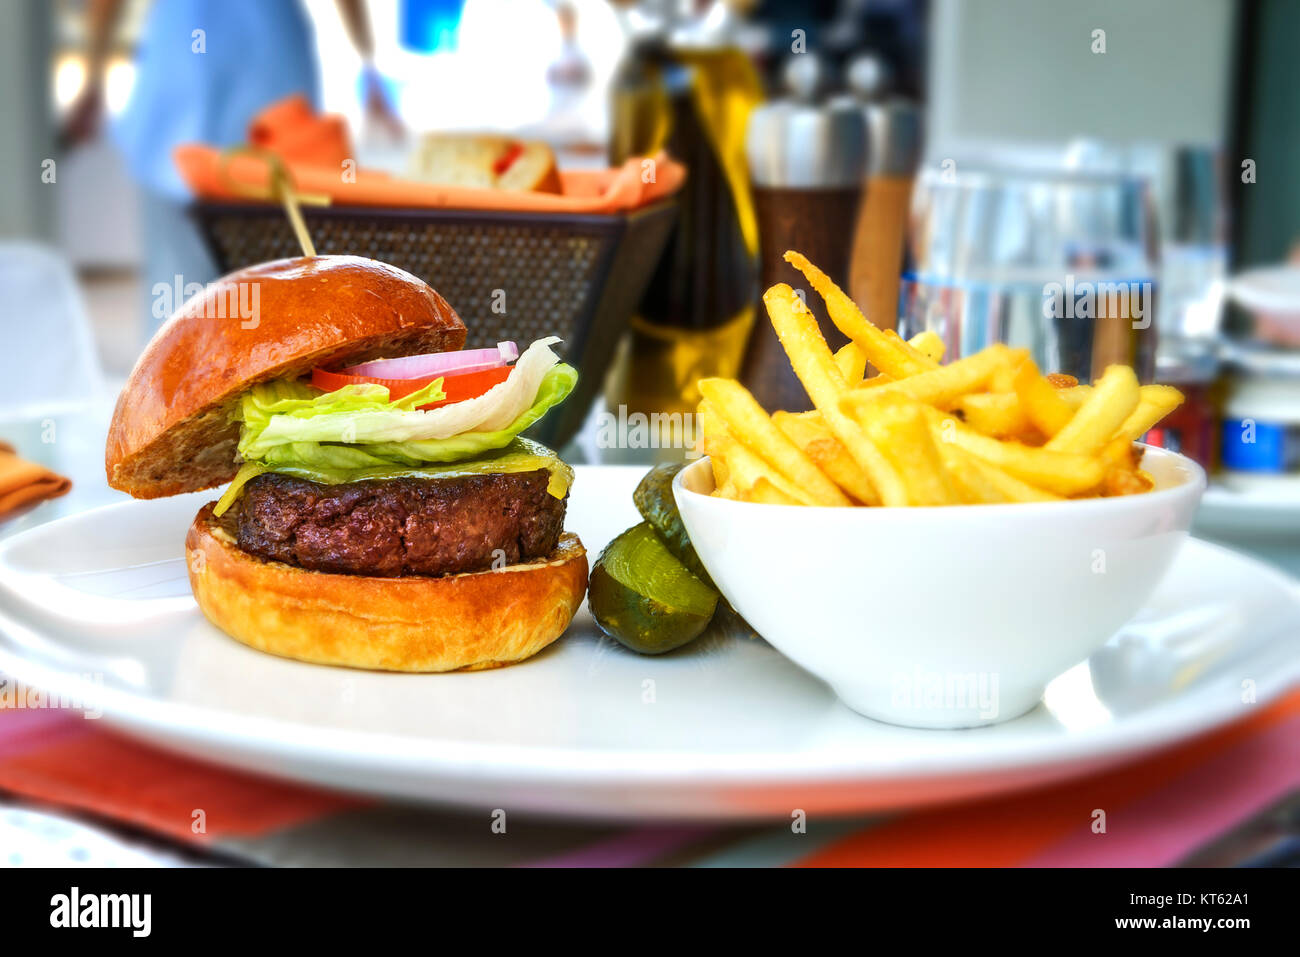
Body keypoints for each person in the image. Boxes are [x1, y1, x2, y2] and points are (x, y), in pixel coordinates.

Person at [61, 0, 402, 338]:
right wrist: (368, 65)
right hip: (247, 60)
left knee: (194, 290)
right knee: (262, 286)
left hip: (229, 64)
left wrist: (93, 81)